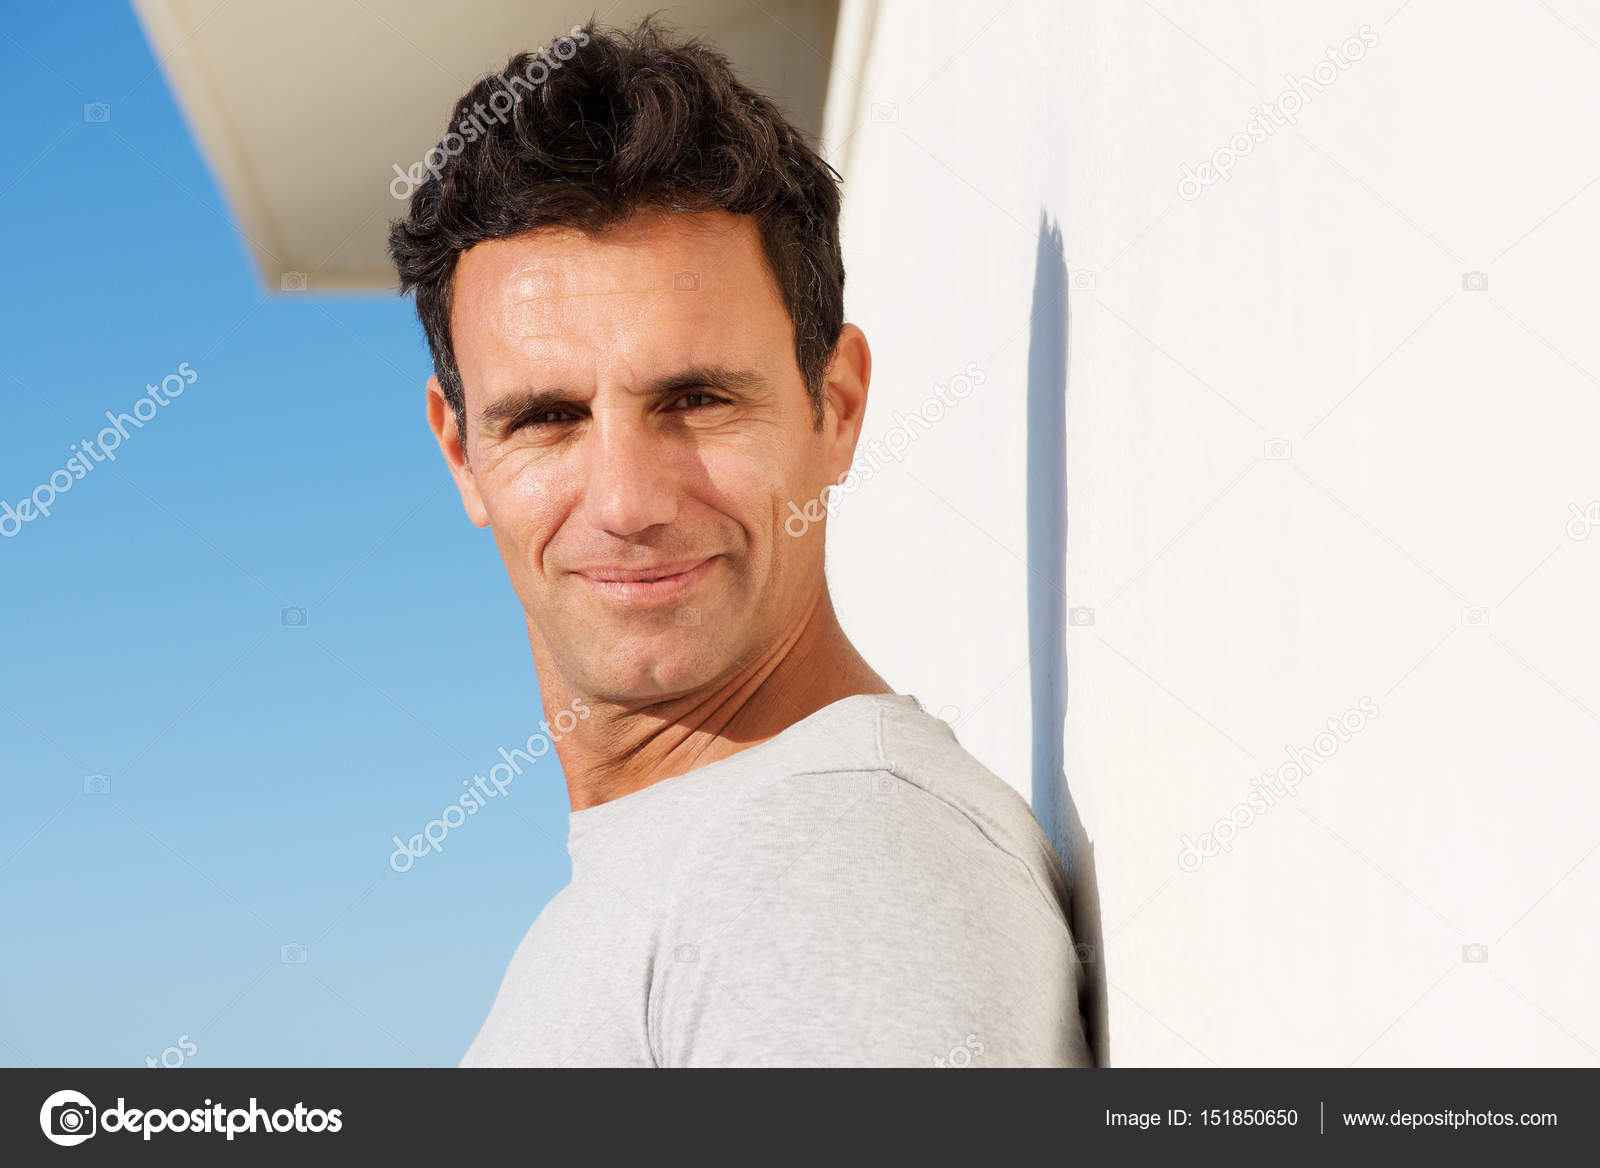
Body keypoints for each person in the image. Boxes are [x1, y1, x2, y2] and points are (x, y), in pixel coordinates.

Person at [388, 17, 1092, 1068]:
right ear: (460, 451)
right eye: (546, 417)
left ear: (837, 405)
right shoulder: (700, 858)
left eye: (698, 398)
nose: (627, 501)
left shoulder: (831, 856)